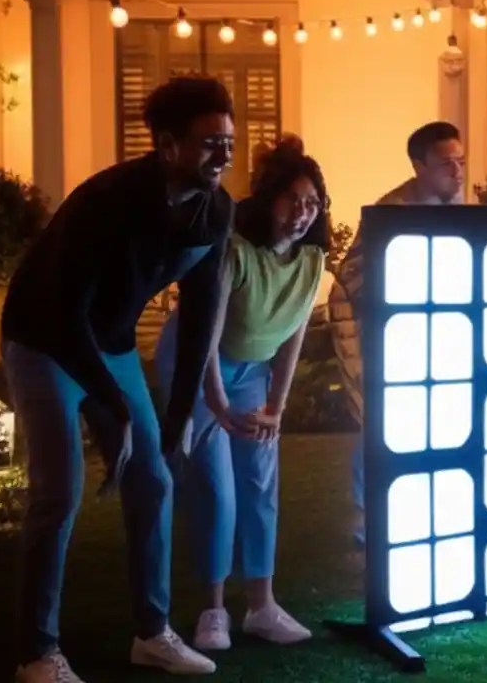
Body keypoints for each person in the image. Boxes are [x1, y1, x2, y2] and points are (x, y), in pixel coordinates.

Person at [2, 75, 235, 682]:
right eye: (211, 142)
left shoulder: (216, 209)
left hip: (112, 344)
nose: (225, 154)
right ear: (167, 144)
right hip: (44, 339)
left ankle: (152, 633)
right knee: (59, 494)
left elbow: (203, 311)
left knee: (154, 480)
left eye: (229, 142)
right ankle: (36, 653)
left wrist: (177, 419)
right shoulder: (107, 199)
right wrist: (116, 407)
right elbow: (61, 312)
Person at [154, 136, 328, 651]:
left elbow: (292, 338)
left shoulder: (311, 261)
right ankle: (213, 610)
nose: (302, 213)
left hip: (251, 371)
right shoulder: (233, 251)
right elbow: (204, 334)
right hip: (196, 362)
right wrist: (217, 405)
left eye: (313, 203)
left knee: (259, 483)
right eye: (293, 200)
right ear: (270, 199)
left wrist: (277, 406)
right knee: (216, 489)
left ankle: (261, 605)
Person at [329, 121, 470, 546]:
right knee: (381, 425)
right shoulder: (388, 216)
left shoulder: (459, 209)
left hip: (440, 337)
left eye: (461, 162)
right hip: (385, 337)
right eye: (447, 163)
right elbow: (352, 279)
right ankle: (367, 517)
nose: (458, 172)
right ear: (418, 166)